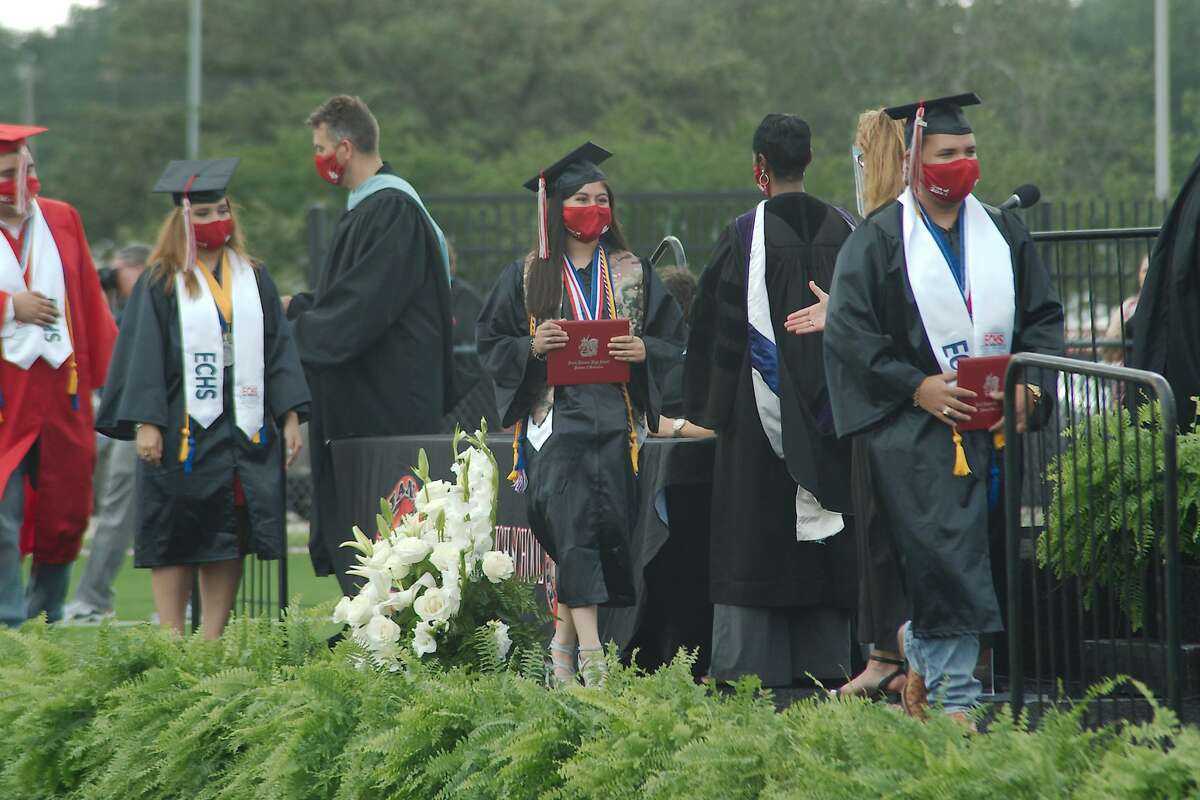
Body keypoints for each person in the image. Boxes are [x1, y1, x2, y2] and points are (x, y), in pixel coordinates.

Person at [824, 93, 1064, 722]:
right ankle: (957, 706)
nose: (963, 163)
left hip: (995, 433)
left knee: (970, 559)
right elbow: (850, 334)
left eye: (970, 150)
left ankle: (922, 659)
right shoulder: (881, 239)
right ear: (914, 162)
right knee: (947, 556)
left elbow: (1042, 318)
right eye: (947, 152)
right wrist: (915, 387)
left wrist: (1033, 390)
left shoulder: (1003, 232)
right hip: (915, 435)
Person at [476, 142, 685, 685]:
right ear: (557, 208)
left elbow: (673, 338)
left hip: (615, 422)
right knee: (573, 531)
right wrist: (531, 347)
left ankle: (561, 649)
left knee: (595, 534)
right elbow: (490, 342)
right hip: (556, 424)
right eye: (581, 199)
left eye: (601, 199)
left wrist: (644, 350)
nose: (593, 208)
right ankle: (593, 656)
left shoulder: (633, 272)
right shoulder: (529, 275)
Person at [96, 159, 309, 638]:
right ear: (183, 220)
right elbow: (142, 354)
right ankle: (172, 639)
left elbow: (279, 350)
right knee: (174, 529)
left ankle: (212, 640)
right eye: (205, 213)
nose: (217, 221)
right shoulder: (160, 280)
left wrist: (291, 415)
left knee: (226, 528)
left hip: (241, 427)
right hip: (180, 426)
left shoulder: (254, 277)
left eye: (223, 211)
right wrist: (146, 422)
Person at [683, 114, 858, 688]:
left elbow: (715, 333)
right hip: (836, 422)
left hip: (758, 430)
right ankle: (828, 665)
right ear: (809, 161)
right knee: (828, 535)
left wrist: (710, 411)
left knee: (756, 537)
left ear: (760, 166)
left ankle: (747, 668)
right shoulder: (847, 230)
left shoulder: (743, 236)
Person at [286, 95, 456, 596]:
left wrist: (296, 331)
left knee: (391, 535)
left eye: (320, 148)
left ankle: (387, 629)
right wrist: (298, 307)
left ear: (344, 148)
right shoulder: (375, 207)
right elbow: (350, 297)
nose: (318, 157)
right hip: (372, 404)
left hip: (386, 408)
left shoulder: (391, 209)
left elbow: (363, 307)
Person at [792, 108, 913, 700]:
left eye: (862, 158)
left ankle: (912, 660)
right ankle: (884, 655)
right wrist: (838, 309)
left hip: (901, 405)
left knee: (898, 536)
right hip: (875, 407)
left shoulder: (895, 231)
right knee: (877, 538)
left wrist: (838, 313)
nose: (857, 170)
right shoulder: (878, 230)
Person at [0, 124, 117, 627]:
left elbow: (88, 298)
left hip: (61, 389)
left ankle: (44, 617)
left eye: (27, 169)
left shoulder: (62, 219)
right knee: (2, 514)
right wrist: (9, 306)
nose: (22, 181)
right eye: (9, 172)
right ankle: (7, 622)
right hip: (5, 397)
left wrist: (116, 384)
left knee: (65, 512)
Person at [64, 243, 150, 623]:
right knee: (116, 508)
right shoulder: (120, 309)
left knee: (176, 507)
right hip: (127, 422)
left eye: (120, 272)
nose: (114, 279)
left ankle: (94, 598)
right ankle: (93, 597)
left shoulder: (153, 301)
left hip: (151, 418)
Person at [1103, 254, 1146, 365]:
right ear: (1139, 276)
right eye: (1145, 271)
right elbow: (1109, 348)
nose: (1148, 275)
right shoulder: (1128, 307)